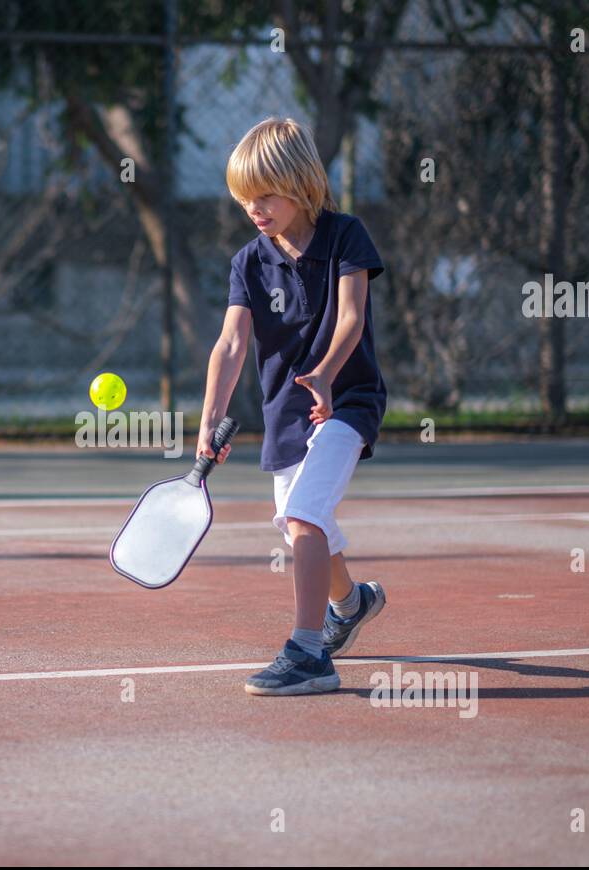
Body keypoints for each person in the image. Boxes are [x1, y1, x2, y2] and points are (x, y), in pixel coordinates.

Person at [196, 116, 388, 696]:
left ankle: (308, 654)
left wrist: (326, 376)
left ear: (301, 183)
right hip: (285, 415)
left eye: (264, 195)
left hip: (347, 403)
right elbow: (231, 344)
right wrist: (209, 419)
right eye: (243, 198)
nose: (253, 208)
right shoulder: (248, 263)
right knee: (306, 529)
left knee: (303, 516)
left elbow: (352, 316)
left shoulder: (345, 236)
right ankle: (350, 605)